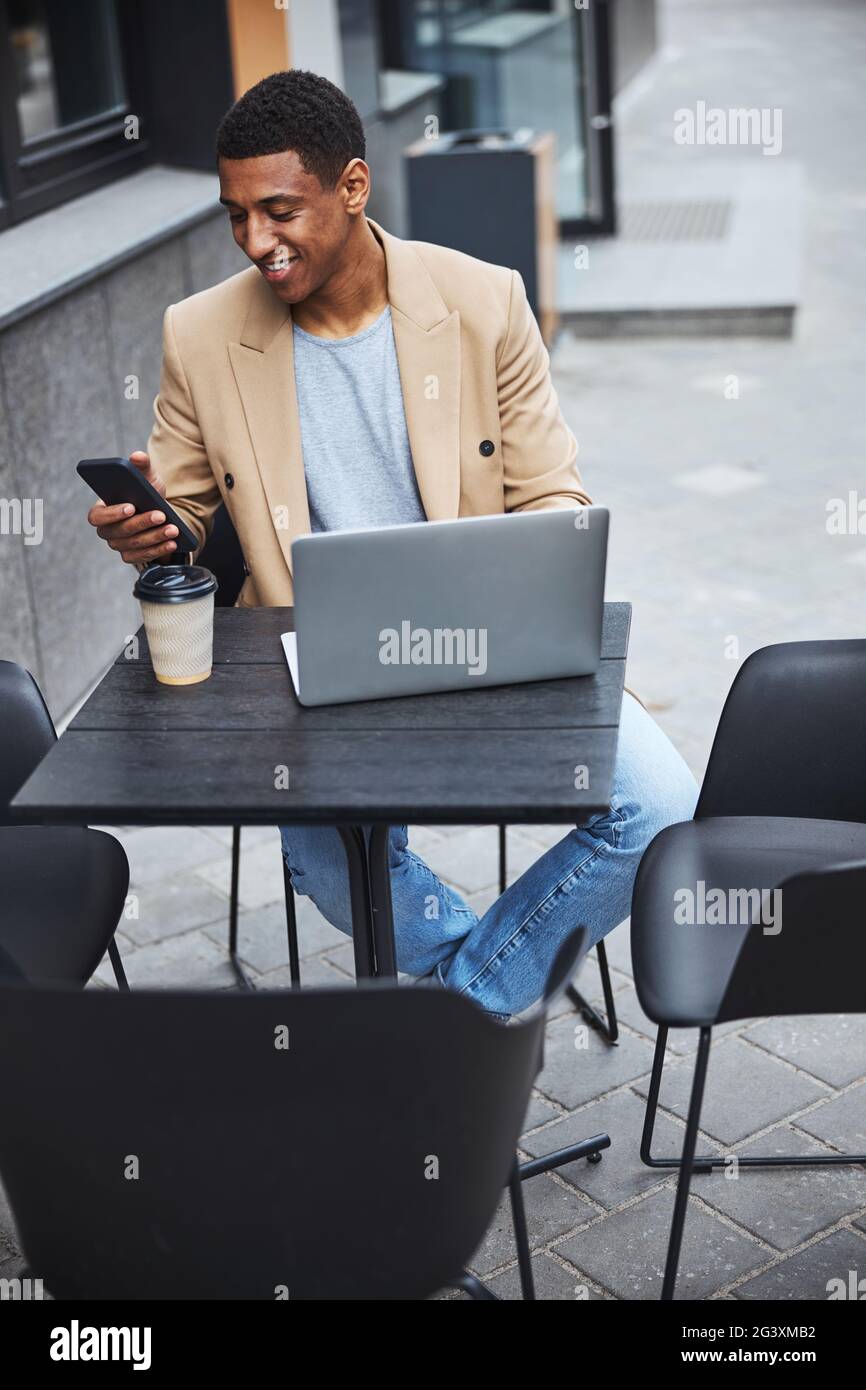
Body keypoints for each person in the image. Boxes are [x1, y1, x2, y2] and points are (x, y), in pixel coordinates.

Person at [87, 70, 698, 1018]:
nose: (257, 242)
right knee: (334, 869)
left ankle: (453, 1023)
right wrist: (159, 533)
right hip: (309, 669)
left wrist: (524, 576)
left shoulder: (483, 301)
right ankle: (483, 997)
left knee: (660, 806)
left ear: (354, 188)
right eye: (236, 215)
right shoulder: (199, 334)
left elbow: (554, 497)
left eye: (280, 210)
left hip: (489, 644)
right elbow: (198, 530)